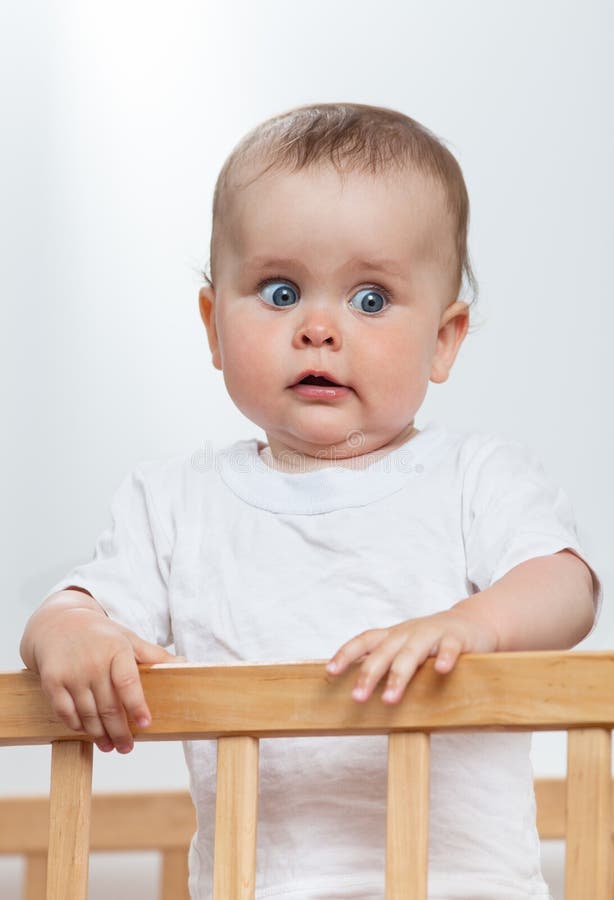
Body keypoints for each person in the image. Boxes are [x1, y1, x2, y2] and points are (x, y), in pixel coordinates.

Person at [20, 102, 602, 899]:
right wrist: (70, 630)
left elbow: (567, 584)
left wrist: (471, 625)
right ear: (214, 325)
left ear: (445, 338)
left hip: (460, 886)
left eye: (370, 300)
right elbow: (82, 603)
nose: (319, 328)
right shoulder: (174, 503)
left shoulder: (475, 477)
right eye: (280, 290)